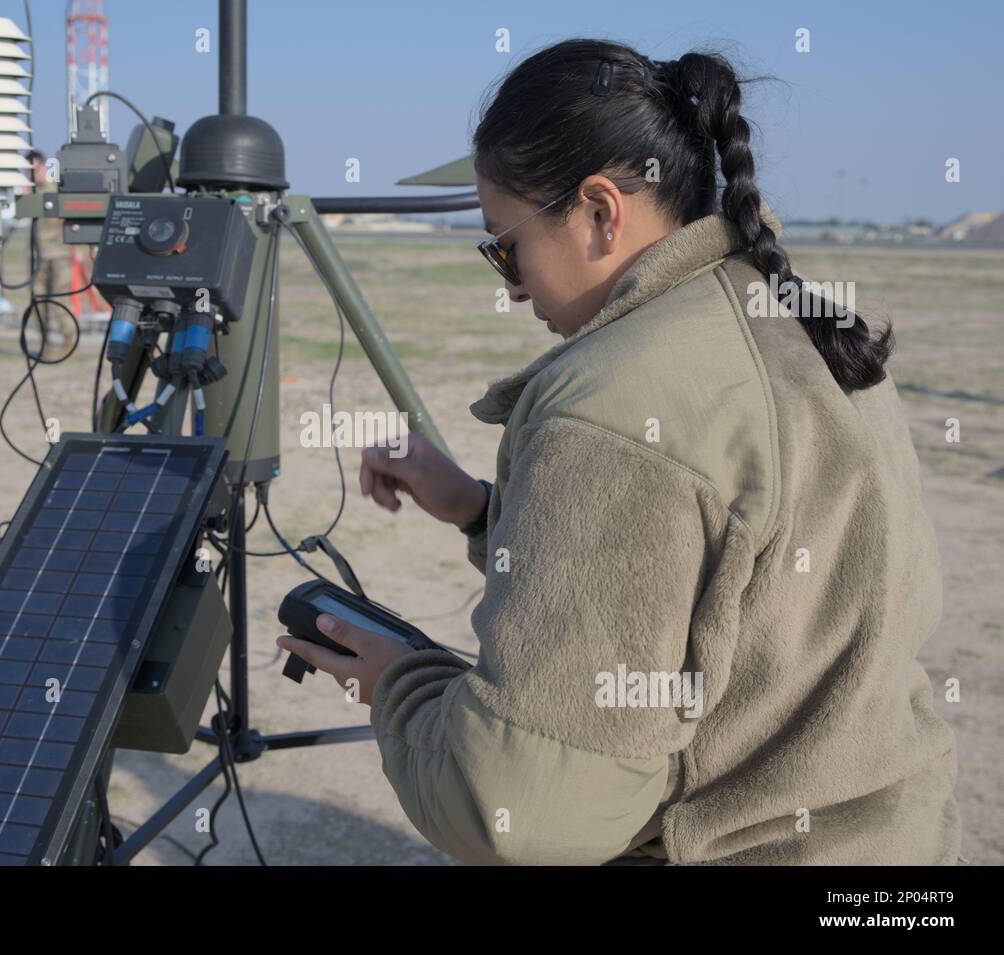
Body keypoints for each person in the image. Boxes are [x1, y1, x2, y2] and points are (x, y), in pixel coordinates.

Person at [277, 40, 960, 865]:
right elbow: (729, 587)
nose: (511, 286)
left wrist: (397, 685)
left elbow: (524, 812)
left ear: (602, 212)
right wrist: (478, 507)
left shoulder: (610, 404)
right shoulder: (812, 326)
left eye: (505, 246)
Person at [26, 149, 75, 360]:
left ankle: (68, 340)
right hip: (37, 256)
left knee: (60, 299)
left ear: (44, 166)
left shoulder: (55, 189)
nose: (32, 173)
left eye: (35, 168)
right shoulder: (28, 193)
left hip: (59, 254)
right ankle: (45, 343)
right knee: (38, 301)